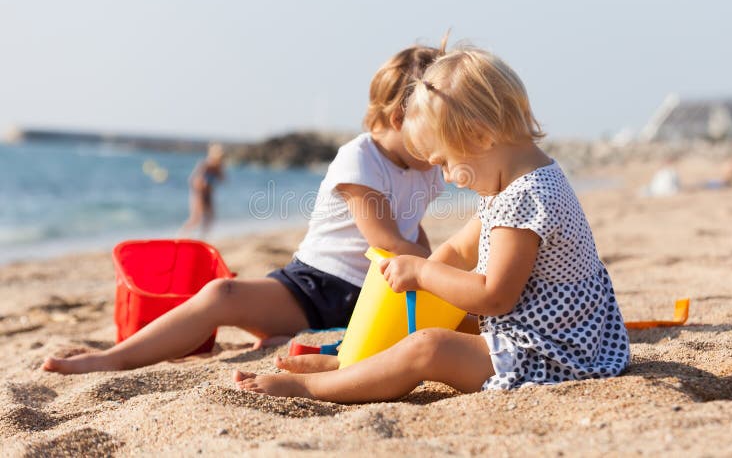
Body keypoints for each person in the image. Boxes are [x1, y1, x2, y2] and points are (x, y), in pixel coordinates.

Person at [234, 47, 631, 400]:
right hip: (554, 336)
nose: (443, 176)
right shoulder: (516, 184)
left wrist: (423, 272)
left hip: (551, 356)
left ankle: (309, 388)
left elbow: (494, 296)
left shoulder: (526, 199)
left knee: (428, 347)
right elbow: (459, 250)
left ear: (480, 136)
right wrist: (425, 278)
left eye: (443, 161)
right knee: (433, 323)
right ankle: (355, 367)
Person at [42, 40, 448, 374]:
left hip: (373, 298)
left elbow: (412, 230)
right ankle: (113, 359)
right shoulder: (361, 158)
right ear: (399, 118)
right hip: (313, 289)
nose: (441, 144)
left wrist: (437, 269)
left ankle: (290, 340)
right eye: (436, 129)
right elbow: (388, 239)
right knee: (222, 293)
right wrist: (443, 269)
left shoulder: (427, 168)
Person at [180, 143, 226, 237]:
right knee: (195, 218)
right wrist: (201, 184)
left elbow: (222, 179)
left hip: (208, 195)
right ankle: (182, 236)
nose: (219, 159)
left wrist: (220, 171)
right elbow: (192, 180)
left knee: (210, 217)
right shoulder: (205, 165)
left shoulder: (218, 168)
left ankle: (203, 237)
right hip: (199, 194)